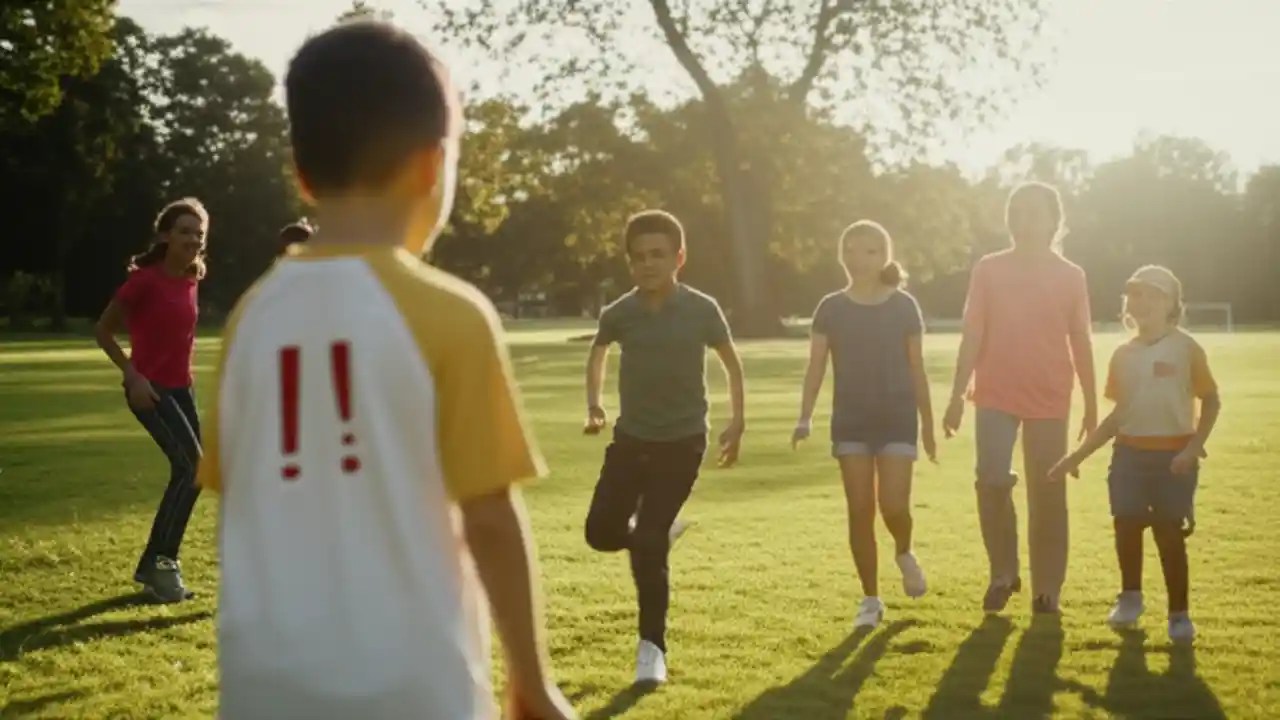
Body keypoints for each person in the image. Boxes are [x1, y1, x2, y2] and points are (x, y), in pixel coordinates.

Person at [194, 20, 574, 720]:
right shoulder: (450, 315)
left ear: (303, 175)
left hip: (264, 687)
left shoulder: (250, 317)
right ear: (434, 163)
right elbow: (489, 516)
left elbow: (237, 503)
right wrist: (531, 678)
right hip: (414, 686)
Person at [583, 209, 746, 685]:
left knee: (648, 543)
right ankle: (657, 531)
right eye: (638, 258)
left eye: (657, 255)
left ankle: (651, 649)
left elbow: (732, 364)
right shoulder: (620, 313)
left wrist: (738, 422)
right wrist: (594, 405)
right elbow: (598, 354)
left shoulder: (702, 309)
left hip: (683, 441)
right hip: (631, 440)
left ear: (679, 257)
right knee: (600, 532)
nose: (647, 265)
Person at [942, 181, 1098, 615]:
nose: (1023, 220)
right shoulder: (989, 270)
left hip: (1050, 394)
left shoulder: (1071, 276)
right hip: (994, 392)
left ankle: (1048, 590)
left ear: (1054, 218)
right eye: (1017, 211)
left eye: (1033, 211)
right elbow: (973, 332)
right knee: (991, 479)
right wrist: (956, 395)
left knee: (1048, 492)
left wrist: (1090, 401)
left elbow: (1081, 339)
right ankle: (1003, 573)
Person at [1050, 265, 1220, 643]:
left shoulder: (1187, 348)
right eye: (1135, 294)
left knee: (1167, 533)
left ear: (1171, 304)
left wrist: (1193, 449)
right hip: (1128, 455)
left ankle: (1179, 615)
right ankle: (1130, 598)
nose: (1140, 301)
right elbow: (1119, 415)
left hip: (1174, 457)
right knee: (1125, 523)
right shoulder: (1122, 355)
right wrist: (1077, 456)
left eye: (1151, 294)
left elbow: (1211, 401)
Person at [791, 220, 935, 629]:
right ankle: (870, 600)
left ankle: (904, 551)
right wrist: (805, 417)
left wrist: (926, 423)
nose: (860, 259)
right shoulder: (831, 308)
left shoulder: (904, 306)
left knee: (893, 505)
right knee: (859, 510)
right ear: (842, 255)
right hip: (851, 421)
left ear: (885, 255)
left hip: (897, 418)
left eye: (870, 251)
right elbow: (816, 366)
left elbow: (916, 367)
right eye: (851, 250)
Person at [94, 197, 209, 604]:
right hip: (149, 387)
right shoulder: (144, 281)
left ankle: (154, 564)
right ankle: (163, 565)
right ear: (165, 235)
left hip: (182, 388)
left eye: (199, 234)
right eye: (184, 231)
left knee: (196, 471)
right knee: (190, 469)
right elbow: (104, 331)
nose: (193, 240)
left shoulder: (193, 278)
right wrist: (132, 376)